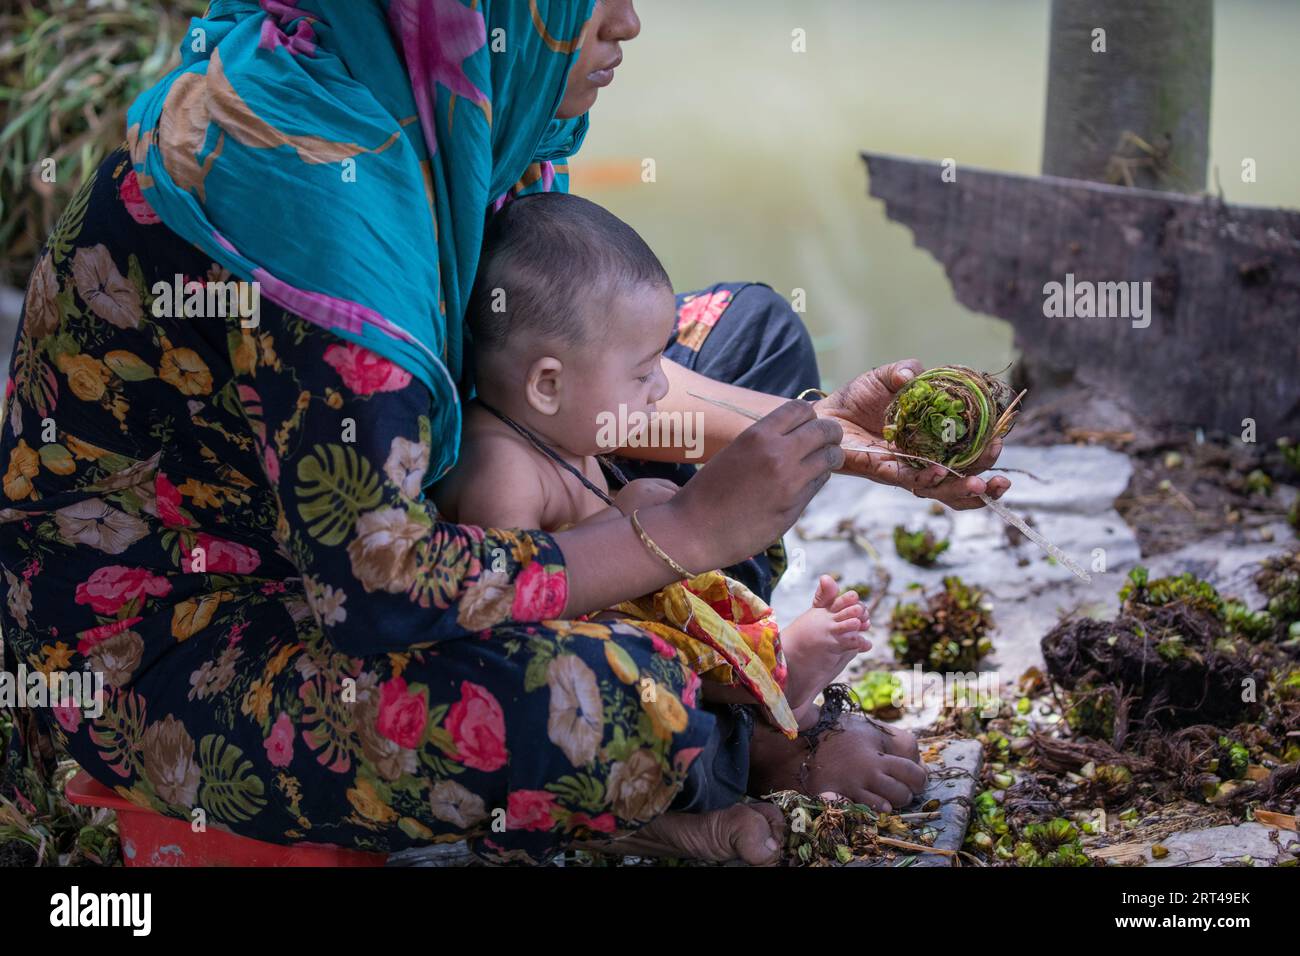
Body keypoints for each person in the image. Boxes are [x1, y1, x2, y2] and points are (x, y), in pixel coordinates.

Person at [0, 0, 1007, 866]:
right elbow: (378, 591)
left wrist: (826, 430)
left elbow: (554, 378)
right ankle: (699, 753)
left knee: (754, 339)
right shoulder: (315, 202)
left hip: (455, 507)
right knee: (603, 702)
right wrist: (689, 531)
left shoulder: (450, 102)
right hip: (192, 644)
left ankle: (729, 691)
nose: (624, 22)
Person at [436, 191, 873, 743]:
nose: (661, 388)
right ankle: (753, 707)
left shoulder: (565, 426)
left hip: (626, 603)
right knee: (627, 670)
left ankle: (761, 676)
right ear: (548, 384)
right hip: (580, 645)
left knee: (762, 326)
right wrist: (631, 524)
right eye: (643, 373)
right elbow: (515, 605)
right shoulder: (502, 467)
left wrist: (839, 433)